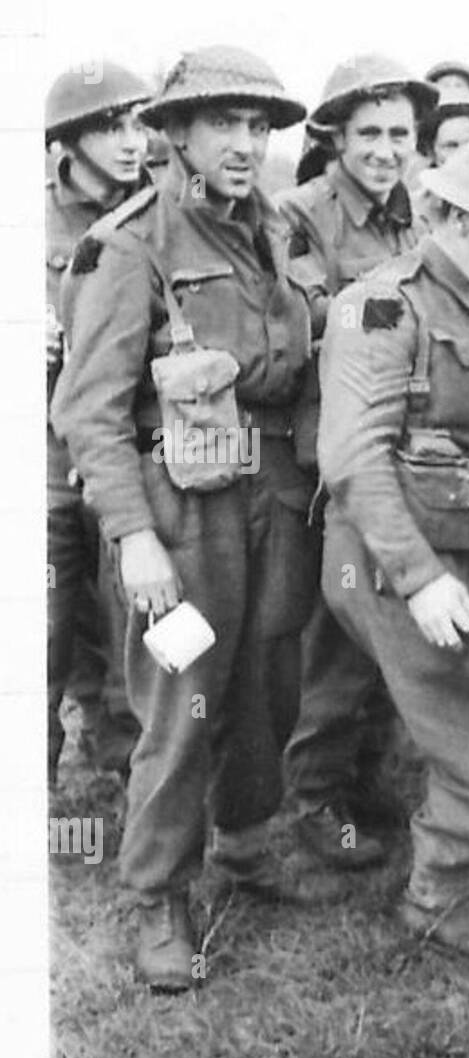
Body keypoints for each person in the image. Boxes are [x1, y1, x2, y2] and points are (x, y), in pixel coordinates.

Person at [51, 46, 317, 992]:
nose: (244, 144)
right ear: (173, 135)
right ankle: (158, 893)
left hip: (270, 500)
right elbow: (88, 411)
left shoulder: (276, 230)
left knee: (264, 681)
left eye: (257, 126)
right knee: (179, 699)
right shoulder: (131, 248)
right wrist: (133, 540)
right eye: (223, 126)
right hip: (180, 519)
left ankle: (244, 843)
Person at [317, 137, 469, 964]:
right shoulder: (381, 307)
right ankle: (434, 898)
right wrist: (421, 581)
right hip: (393, 563)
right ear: (453, 218)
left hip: (461, 549)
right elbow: (352, 459)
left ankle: (443, 851)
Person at [276, 56, 440, 870]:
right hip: (329, 454)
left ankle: (365, 780)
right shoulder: (299, 214)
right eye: (369, 133)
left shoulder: (422, 213)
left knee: (387, 627)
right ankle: (311, 800)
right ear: (336, 137)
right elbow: (315, 314)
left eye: (400, 134)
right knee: (334, 639)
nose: (385, 149)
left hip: (404, 448)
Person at [45, 62, 151, 784]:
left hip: (120, 453)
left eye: (139, 125)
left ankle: (124, 764)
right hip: (44, 462)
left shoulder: (156, 217)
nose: (131, 142)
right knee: (46, 624)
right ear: (68, 143)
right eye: (111, 127)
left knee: (125, 622)